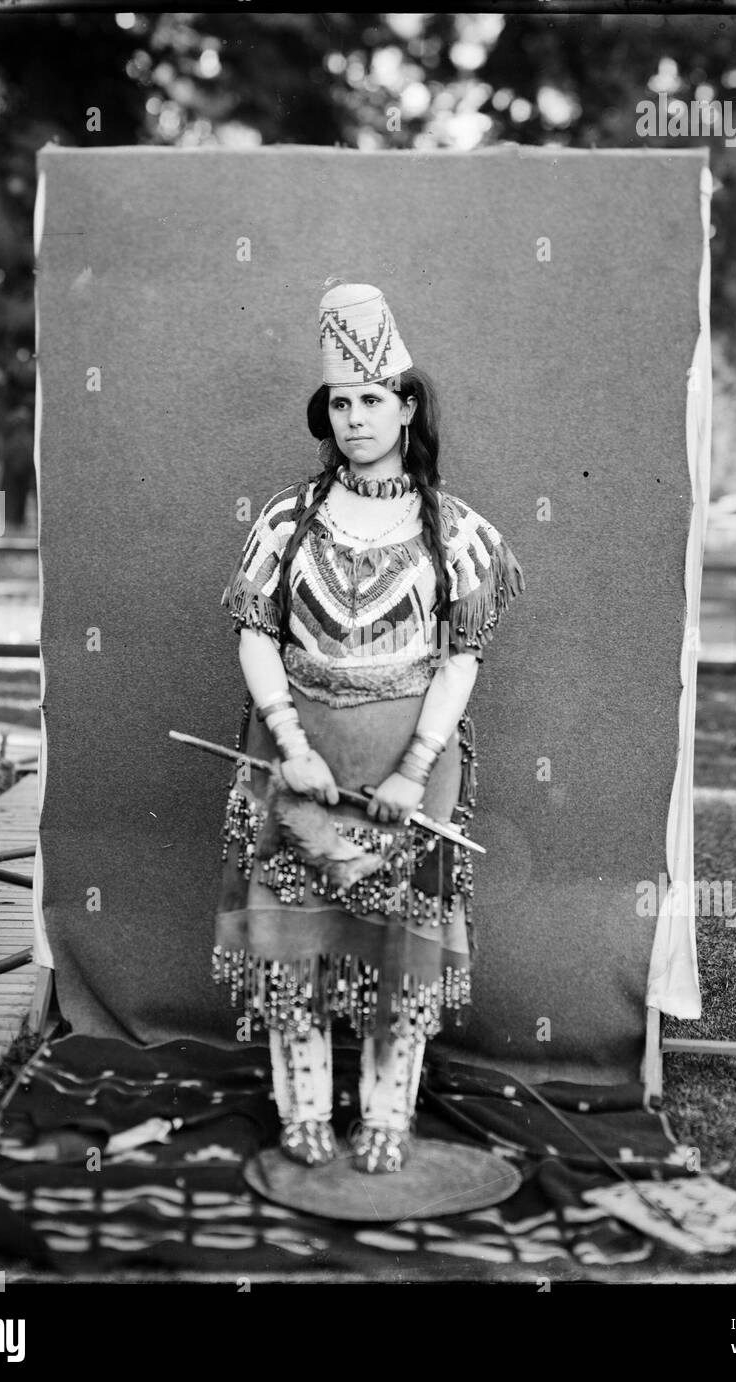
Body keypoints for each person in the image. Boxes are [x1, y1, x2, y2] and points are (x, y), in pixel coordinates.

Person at [214, 281, 523, 1174]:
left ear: (406, 406)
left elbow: (462, 659)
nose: (354, 418)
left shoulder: (458, 535)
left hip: (408, 767)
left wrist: (413, 768)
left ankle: (388, 1116)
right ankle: (302, 1110)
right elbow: (256, 636)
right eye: (341, 403)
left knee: (403, 949)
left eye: (371, 401)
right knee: (292, 948)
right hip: (297, 761)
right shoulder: (283, 523)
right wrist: (292, 745)